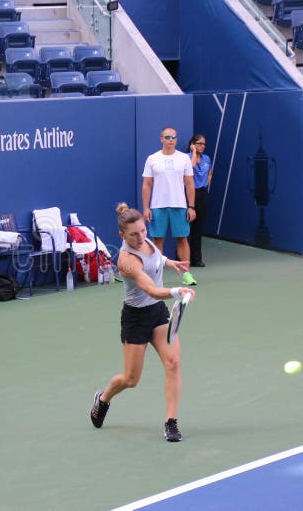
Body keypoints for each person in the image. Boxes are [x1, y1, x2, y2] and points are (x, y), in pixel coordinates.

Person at [90, 203, 195, 442]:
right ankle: (104, 398)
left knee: (173, 362)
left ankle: (171, 423)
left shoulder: (146, 242)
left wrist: (169, 263)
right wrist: (178, 291)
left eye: (143, 231)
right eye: (133, 235)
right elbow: (152, 289)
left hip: (157, 313)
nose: (140, 237)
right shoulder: (126, 260)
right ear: (122, 236)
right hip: (135, 319)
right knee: (131, 379)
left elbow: (155, 257)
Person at [141, 126, 198, 285]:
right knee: (157, 241)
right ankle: (156, 276)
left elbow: (189, 183)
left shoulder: (184, 159)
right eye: (167, 137)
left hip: (179, 206)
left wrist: (191, 206)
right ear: (161, 139)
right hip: (158, 206)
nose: (171, 140)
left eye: (173, 137)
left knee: (182, 239)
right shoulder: (152, 159)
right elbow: (147, 184)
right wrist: (146, 208)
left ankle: (187, 275)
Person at [187, 134, 213, 267]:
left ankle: (197, 259)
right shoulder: (187, 157)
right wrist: (193, 152)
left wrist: (206, 187)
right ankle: (183, 258)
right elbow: (190, 168)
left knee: (198, 228)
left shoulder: (207, 158)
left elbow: (210, 174)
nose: (202, 146)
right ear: (193, 144)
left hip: (202, 195)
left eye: (204, 144)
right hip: (190, 194)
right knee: (187, 228)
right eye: (199, 144)